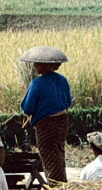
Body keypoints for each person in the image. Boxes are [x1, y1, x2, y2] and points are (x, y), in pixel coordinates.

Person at [19, 46, 73, 183]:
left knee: (49, 157)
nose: (34, 66)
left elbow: (27, 108)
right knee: (59, 154)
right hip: (62, 122)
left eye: (37, 64)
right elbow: (67, 101)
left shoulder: (36, 83)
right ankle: (62, 183)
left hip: (46, 125)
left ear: (45, 66)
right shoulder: (62, 80)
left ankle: (56, 187)